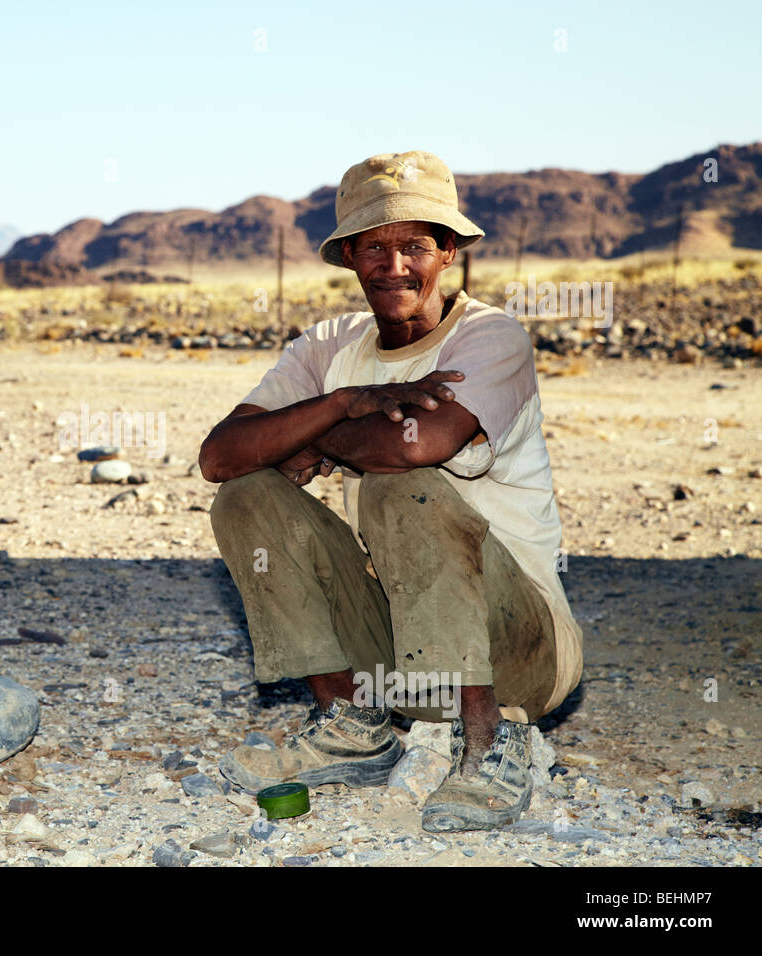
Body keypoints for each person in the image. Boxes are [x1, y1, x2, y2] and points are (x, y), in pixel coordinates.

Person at [198, 150, 582, 832]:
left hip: (518, 647)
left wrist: (313, 438)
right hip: (402, 659)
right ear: (349, 255)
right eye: (374, 246)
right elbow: (222, 455)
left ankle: (491, 742)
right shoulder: (328, 347)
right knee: (246, 494)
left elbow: (419, 446)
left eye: (414, 246)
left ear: (450, 252)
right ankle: (352, 722)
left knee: (396, 489)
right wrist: (345, 401)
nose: (394, 265)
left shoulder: (490, 336)